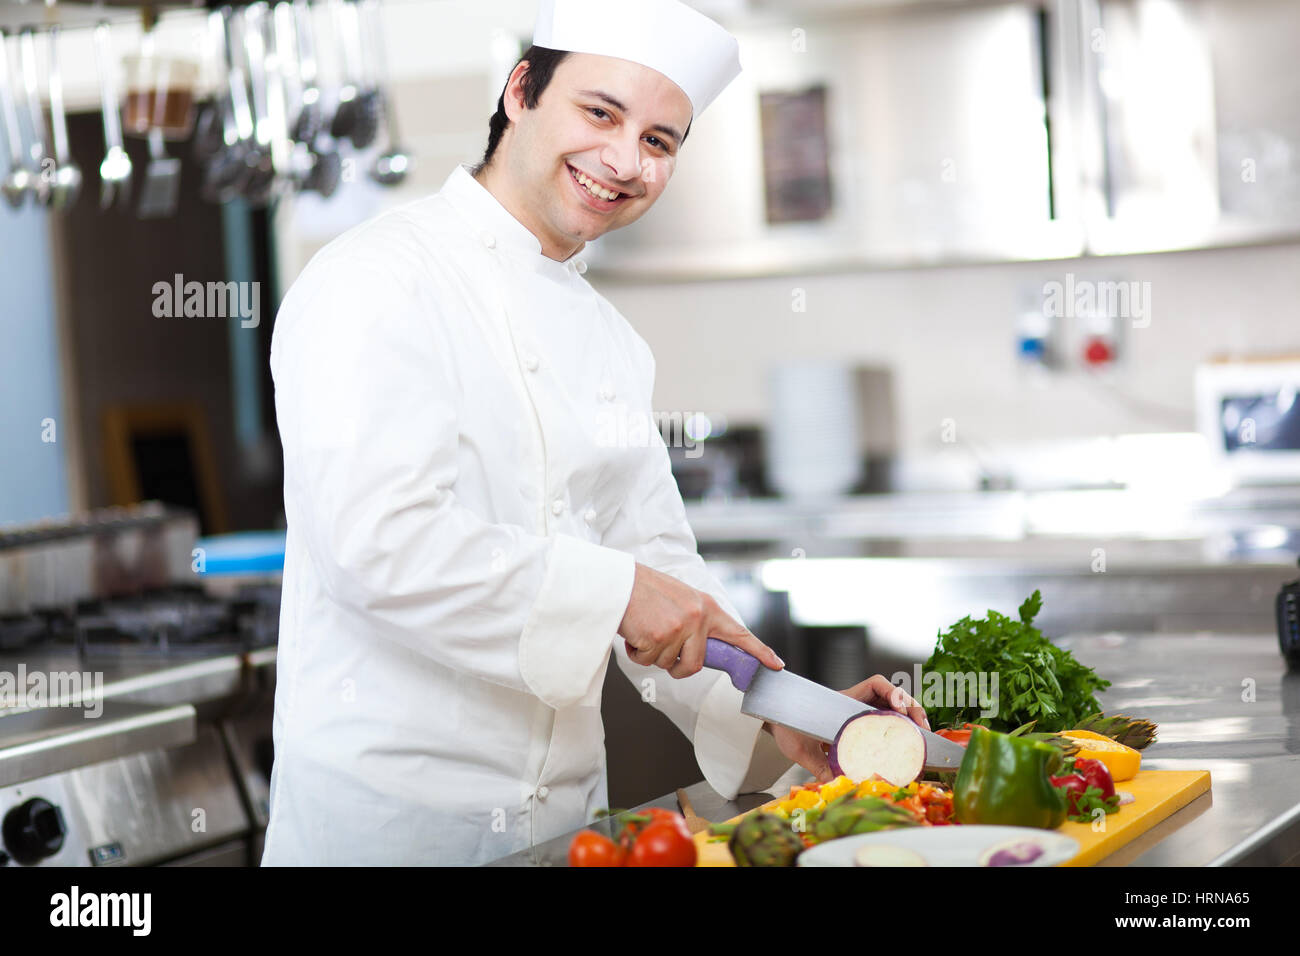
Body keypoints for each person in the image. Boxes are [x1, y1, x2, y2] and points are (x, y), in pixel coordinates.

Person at [262, 0, 927, 866]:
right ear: (520, 90)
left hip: (567, 831)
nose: (624, 160)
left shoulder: (612, 343)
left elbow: (665, 574)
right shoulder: (374, 281)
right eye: (600, 112)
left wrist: (789, 712)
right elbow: (376, 544)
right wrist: (616, 592)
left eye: (659, 141)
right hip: (388, 830)